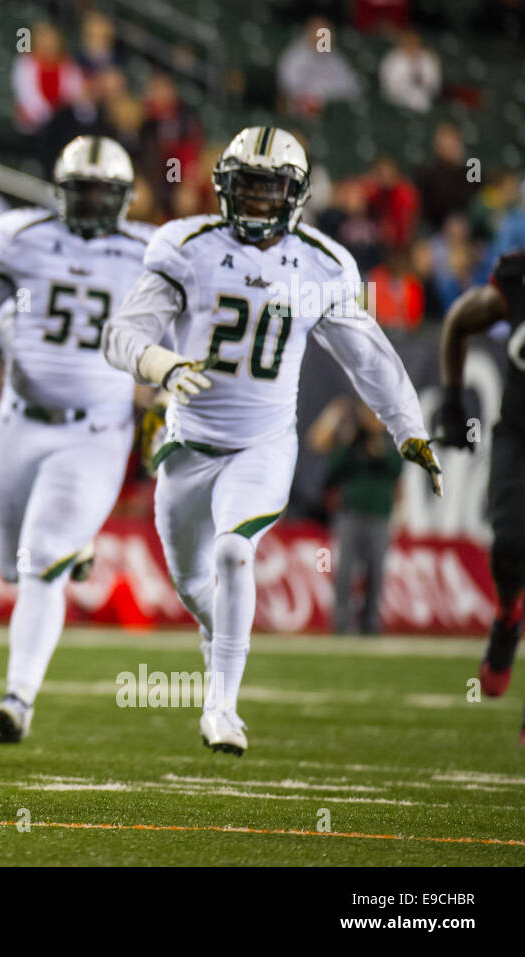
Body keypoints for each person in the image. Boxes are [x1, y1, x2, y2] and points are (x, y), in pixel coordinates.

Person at [104, 126, 442, 756]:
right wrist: (163, 366)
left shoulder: (321, 262)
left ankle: (222, 709)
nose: (258, 201)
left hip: (262, 445)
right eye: (248, 188)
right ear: (226, 189)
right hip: (186, 445)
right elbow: (120, 336)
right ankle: (221, 638)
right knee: (190, 584)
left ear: (296, 194)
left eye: (270, 189)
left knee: (234, 554)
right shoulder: (187, 247)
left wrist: (409, 428)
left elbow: (368, 357)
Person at [0, 136, 153, 742]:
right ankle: (73, 546)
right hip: (18, 419)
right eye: (80, 191)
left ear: (122, 197)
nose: (90, 203)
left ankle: (19, 698)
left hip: (95, 427)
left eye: (101, 192)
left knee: (42, 560)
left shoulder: (147, 253)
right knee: (15, 564)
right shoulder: (24, 237)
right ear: (61, 193)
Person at [434, 250, 525, 738]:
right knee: (509, 545)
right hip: (518, 434)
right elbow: (457, 320)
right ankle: (508, 615)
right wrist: (451, 401)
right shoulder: (517, 277)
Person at [309, 398, 404, 635]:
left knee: (376, 571)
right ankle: (341, 621)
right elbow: (332, 466)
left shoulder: (389, 439)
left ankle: (371, 623)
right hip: (350, 512)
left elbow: (397, 470)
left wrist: (379, 452)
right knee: (344, 570)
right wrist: (350, 444)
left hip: (380, 514)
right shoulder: (351, 439)